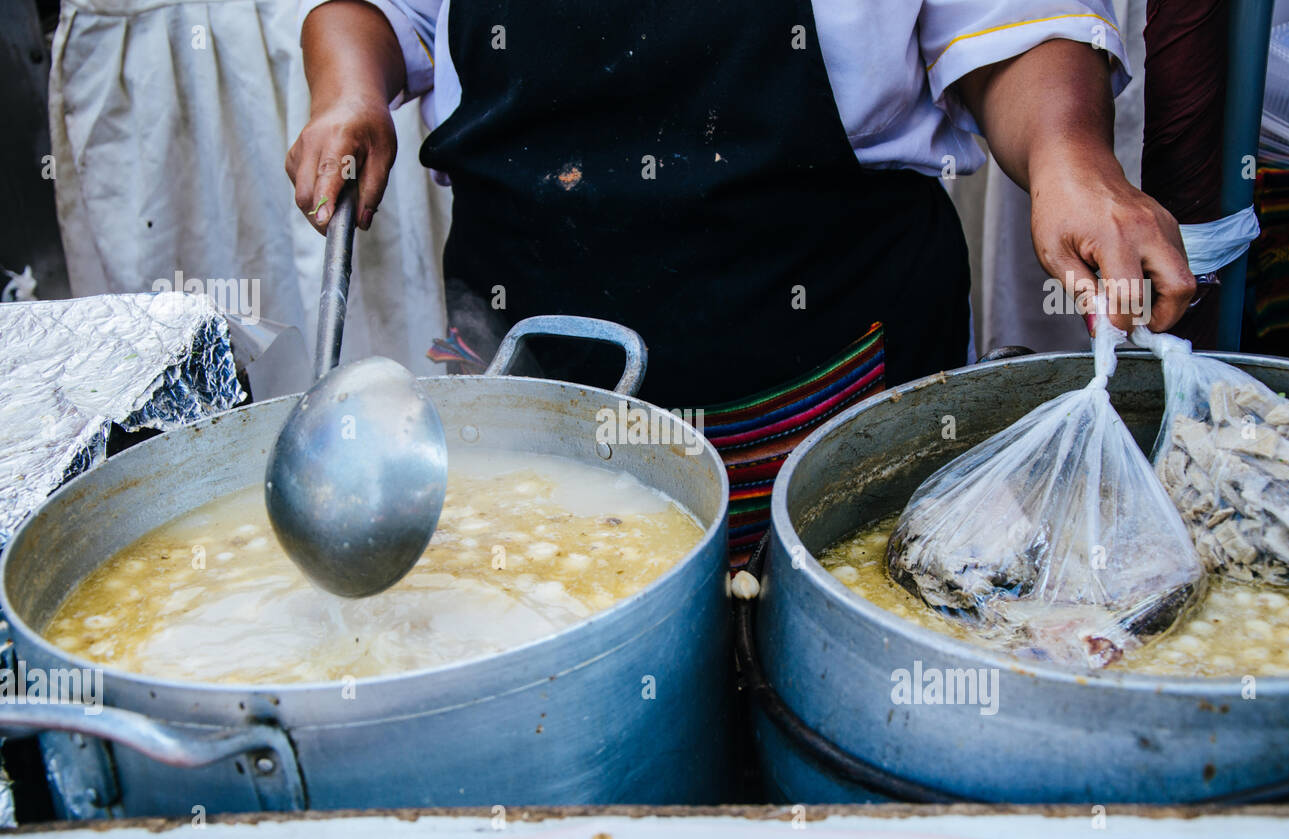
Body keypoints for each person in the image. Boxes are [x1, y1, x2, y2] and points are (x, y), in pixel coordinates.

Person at [289, 0, 1196, 568]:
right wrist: (348, 90)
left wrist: (1069, 153)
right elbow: (370, 13)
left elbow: (1010, 22)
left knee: (828, 693)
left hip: (826, 395)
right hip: (527, 411)